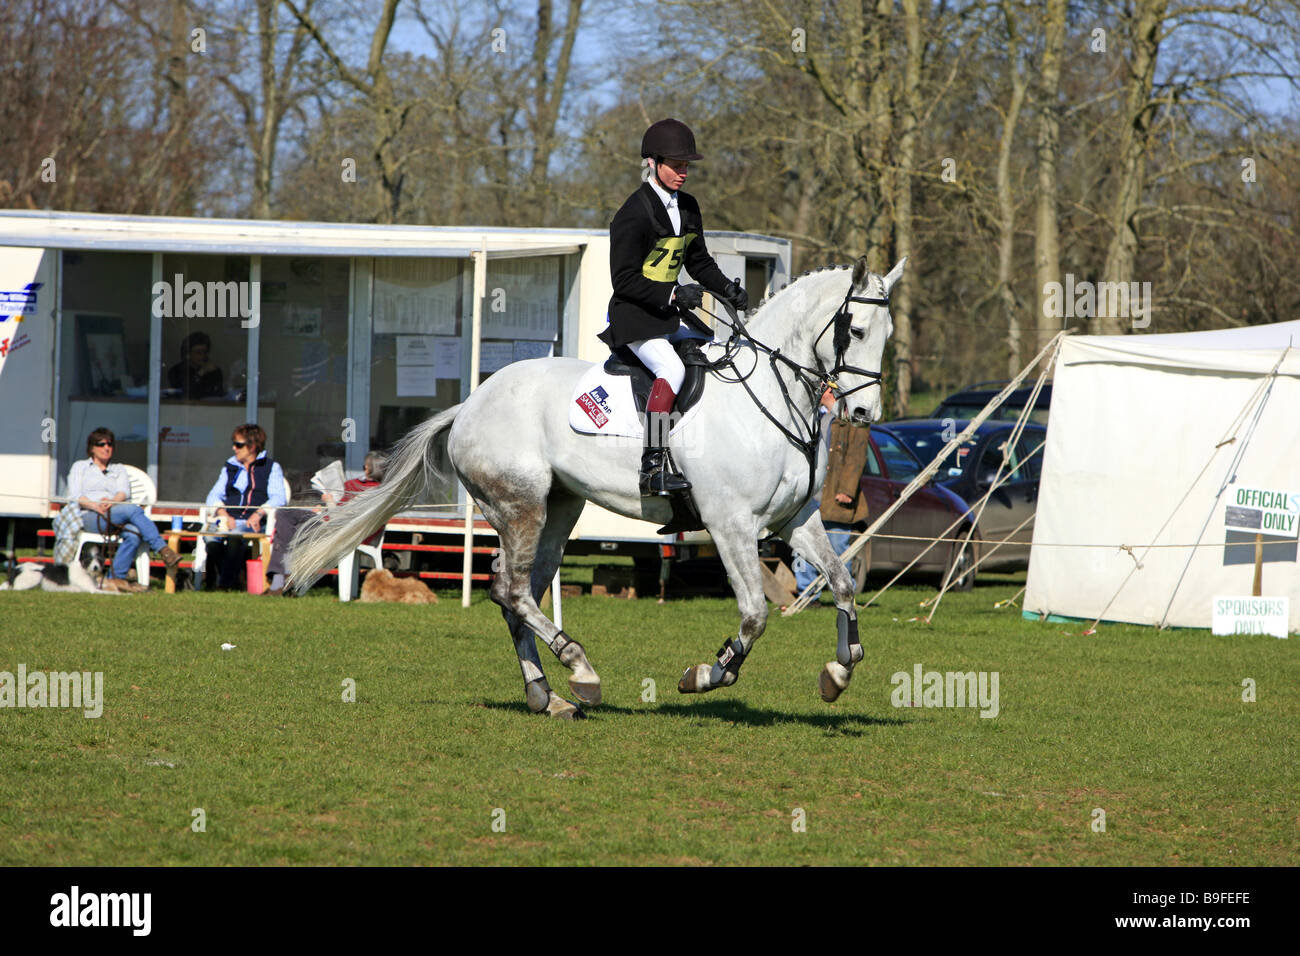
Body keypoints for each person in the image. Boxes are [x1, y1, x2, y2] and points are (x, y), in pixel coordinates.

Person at [598, 118, 748, 496]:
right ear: (653, 162)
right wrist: (672, 295)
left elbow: (698, 263)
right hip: (634, 314)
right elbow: (625, 279)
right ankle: (652, 466)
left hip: (667, 313)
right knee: (672, 368)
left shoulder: (689, 207)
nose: (683, 173)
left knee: (713, 352)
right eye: (676, 166)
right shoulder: (632, 213)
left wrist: (728, 289)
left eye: (687, 167)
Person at [66, 427, 180, 592]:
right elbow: (75, 495)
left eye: (110, 444)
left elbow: (123, 492)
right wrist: (95, 505)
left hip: (114, 512)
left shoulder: (118, 469)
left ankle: (114, 580)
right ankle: (163, 550)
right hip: (89, 514)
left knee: (134, 533)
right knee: (133, 510)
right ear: (92, 448)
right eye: (101, 444)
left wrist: (111, 501)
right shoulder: (80, 467)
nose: (107, 448)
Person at [264, 451, 389, 596]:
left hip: (342, 531)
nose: (363, 470)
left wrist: (329, 501)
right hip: (329, 521)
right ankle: (286, 578)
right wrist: (324, 508)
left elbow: (346, 519)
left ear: (369, 469)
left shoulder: (373, 493)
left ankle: (282, 580)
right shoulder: (360, 486)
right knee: (285, 515)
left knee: (293, 529)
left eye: (365, 466)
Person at [792, 392, 872, 601]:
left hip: (835, 496)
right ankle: (807, 595)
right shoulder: (812, 415)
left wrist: (847, 489)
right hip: (809, 494)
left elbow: (857, 455)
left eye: (827, 388)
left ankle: (844, 593)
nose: (822, 390)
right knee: (804, 546)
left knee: (838, 549)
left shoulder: (851, 419)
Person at [203, 423, 286, 590]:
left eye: (239, 444)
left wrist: (259, 513)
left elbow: (279, 497)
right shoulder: (230, 467)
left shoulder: (271, 467)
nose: (234, 448)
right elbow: (213, 496)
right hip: (228, 518)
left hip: (252, 521)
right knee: (210, 538)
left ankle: (225, 584)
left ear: (252, 446)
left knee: (235, 536)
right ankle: (237, 576)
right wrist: (224, 514)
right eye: (234, 444)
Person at [168, 331, 224, 399]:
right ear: (188, 354)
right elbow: (184, 394)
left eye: (205, 352)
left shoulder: (214, 371)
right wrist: (200, 373)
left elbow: (218, 395)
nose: (202, 356)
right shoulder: (176, 371)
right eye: (198, 352)